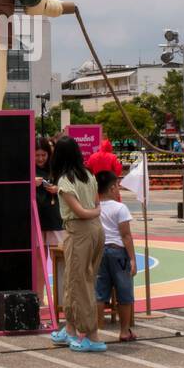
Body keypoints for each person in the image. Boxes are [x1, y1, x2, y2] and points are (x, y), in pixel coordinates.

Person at [48, 135, 105, 352]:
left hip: (79, 231)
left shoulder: (64, 180)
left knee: (79, 283)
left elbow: (80, 211)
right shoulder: (88, 175)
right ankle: (70, 329)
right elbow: (96, 203)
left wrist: (92, 212)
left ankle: (92, 335)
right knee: (78, 280)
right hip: (96, 230)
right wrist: (96, 212)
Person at [95, 170, 138, 342]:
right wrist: (133, 258)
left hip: (100, 252)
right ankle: (124, 330)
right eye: (117, 187)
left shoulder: (94, 208)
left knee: (99, 293)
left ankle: (96, 332)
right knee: (124, 292)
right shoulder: (120, 208)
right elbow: (126, 235)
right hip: (118, 253)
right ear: (112, 188)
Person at [34, 137, 65, 317]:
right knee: (39, 261)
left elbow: (66, 188)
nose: (40, 158)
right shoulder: (28, 170)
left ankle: (62, 297)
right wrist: (32, 182)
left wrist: (57, 189)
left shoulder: (57, 169)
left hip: (55, 220)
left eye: (43, 154)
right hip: (37, 220)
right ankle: (39, 296)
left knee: (59, 258)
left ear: (49, 153)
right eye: (37, 155)